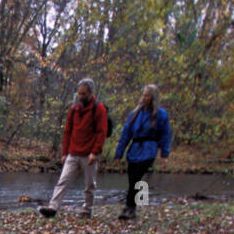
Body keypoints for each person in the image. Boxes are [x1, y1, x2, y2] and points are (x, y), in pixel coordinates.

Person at [39, 79, 108, 219]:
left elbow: (102, 132)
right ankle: (53, 207)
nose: (80, 96)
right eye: (79, 93)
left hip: (89, 154)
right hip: (73, 152)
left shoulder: (98, 108)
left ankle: (87, 210)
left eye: (83, 94)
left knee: (89, 185)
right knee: (63, 181)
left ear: (90, 93)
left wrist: (95, 152)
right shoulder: (74, 109)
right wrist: (64, 153)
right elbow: (67, 131)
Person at [114, 84, 171, 220]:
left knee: (136, 178)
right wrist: (119, 153)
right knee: (132, 178)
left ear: (153, 98)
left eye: (147, 95)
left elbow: (165, 134)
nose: (144, 98)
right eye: (143, 95)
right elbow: (126, 134)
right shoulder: (135, 114)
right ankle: (131, 207)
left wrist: (164, 154)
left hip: (149, 148)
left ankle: (129, 207)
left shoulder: (160, 115)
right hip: (134, 149)